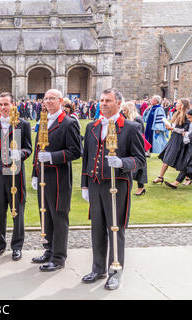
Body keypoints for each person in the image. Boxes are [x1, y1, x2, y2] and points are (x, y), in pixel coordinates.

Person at [81, 88, 145, 290]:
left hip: (118, 186)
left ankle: (115, 270)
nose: (103, 104)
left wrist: (122, 162)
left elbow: (140, 159)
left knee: (115, 229)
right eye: (101, 100)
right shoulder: (92, 126)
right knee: (97, 229)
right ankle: (98, 267)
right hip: (95, 184)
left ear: (118, 103)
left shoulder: (131, 128)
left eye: (108, 100)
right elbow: (86, 158)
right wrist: (84, 184)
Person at [31, 89, 82, 271]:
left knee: (59, 216)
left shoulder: (68, 123)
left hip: (59, 177)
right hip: (43, 175)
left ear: (61, 100)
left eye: (52, 98)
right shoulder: (43, 120)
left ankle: (59, 257)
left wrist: (52, 157)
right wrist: (34, 174)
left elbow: (76, 151)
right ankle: (49, 249)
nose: (49, 101)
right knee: (45, 214)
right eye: (46, 98)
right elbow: (37, 151)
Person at [0, 92, 32, 262]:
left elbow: (29, 148)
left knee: (17, 209)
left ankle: (17, 246)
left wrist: (20, 153)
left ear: (13, 105)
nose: (3, 107)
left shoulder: (22, 124)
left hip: (15, 172)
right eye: (1, 104)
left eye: (6, 104)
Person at [156, 99, 190, 189]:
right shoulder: (177, 113)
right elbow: (177, 127)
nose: (176, 104)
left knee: (181, 159)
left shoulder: (187, 115)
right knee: (167, 156)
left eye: (178, 103)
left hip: (181, 140)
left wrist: (172, 128)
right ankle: (160, 177)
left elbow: (185, 130)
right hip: (174, 138)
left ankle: (187, 178)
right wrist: (171, 127)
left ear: (183, 105)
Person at [122, 101, 149, 196]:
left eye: (125, 110)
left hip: (138, 146)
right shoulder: (129, 119)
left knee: (139, 168)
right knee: (138, 168)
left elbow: (140, 134)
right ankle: (140, 188)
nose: (123, 112)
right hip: (131, 145)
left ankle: (139, 188)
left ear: (129, 110)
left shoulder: (137, 119)